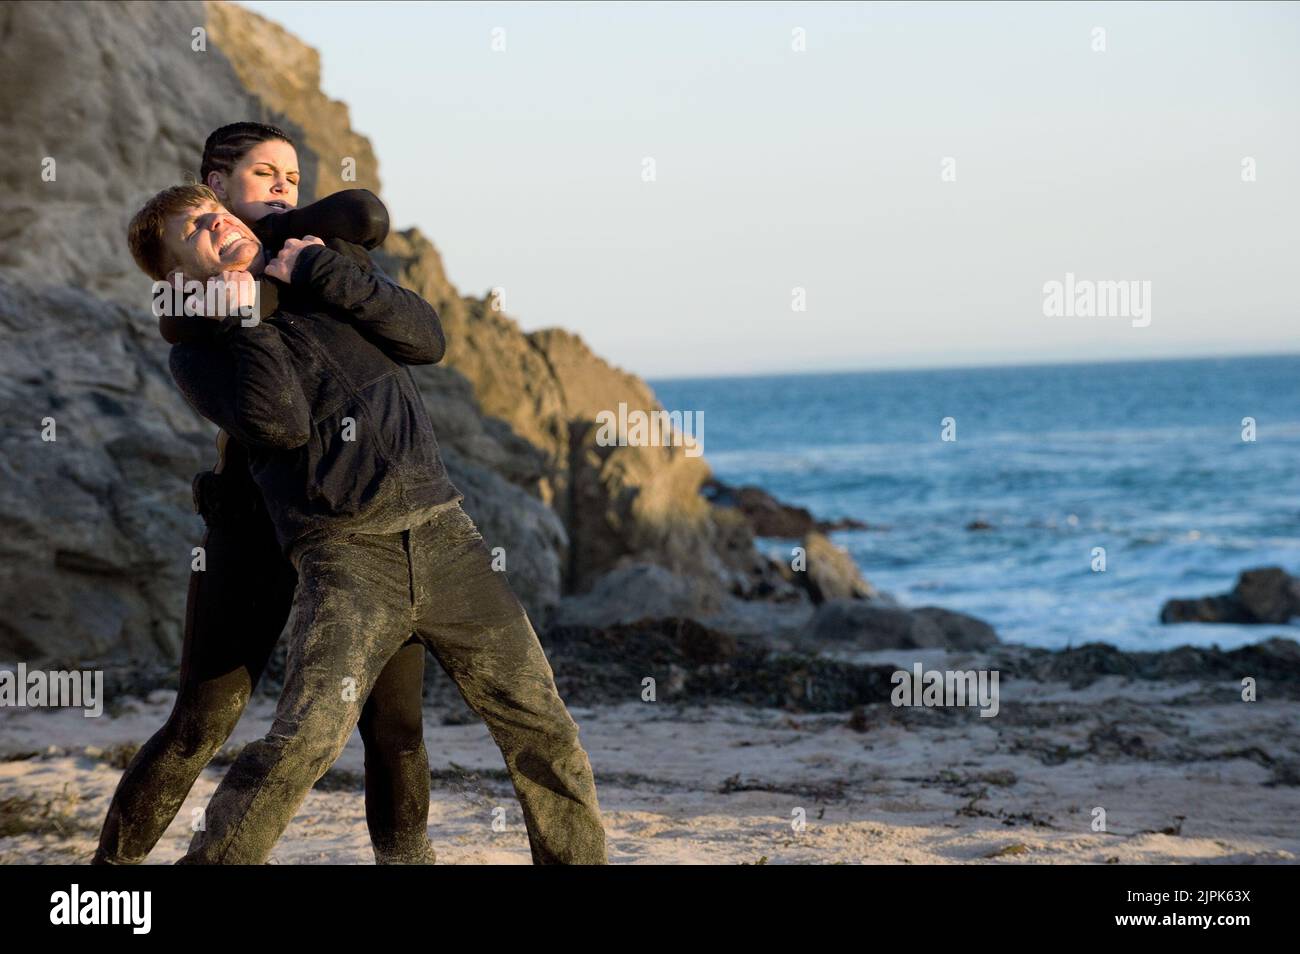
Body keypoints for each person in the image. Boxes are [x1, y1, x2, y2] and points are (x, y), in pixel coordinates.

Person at [125, 178, 608, 865]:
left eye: (214, 212)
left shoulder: (316, 268)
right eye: (193, 231)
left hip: (447, 537)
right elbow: (280, 425)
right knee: (306, 742)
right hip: (346, 553)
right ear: (180, 274)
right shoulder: (201, 351)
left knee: (541, 725)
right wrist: (247, 324)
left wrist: (321, 270)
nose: (216, 226)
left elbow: (425, 337)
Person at [95, 123, 435, 865]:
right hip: (254, 522)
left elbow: (384, 263)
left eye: (291, 173)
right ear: (215, 188)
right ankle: (106, 880)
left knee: (395, 725)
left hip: (358, 522)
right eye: (262, 175)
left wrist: (307, 251)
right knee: (203, 718)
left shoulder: (318, 260)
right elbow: (183, 314)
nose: (284, 186)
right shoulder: (197, 292)